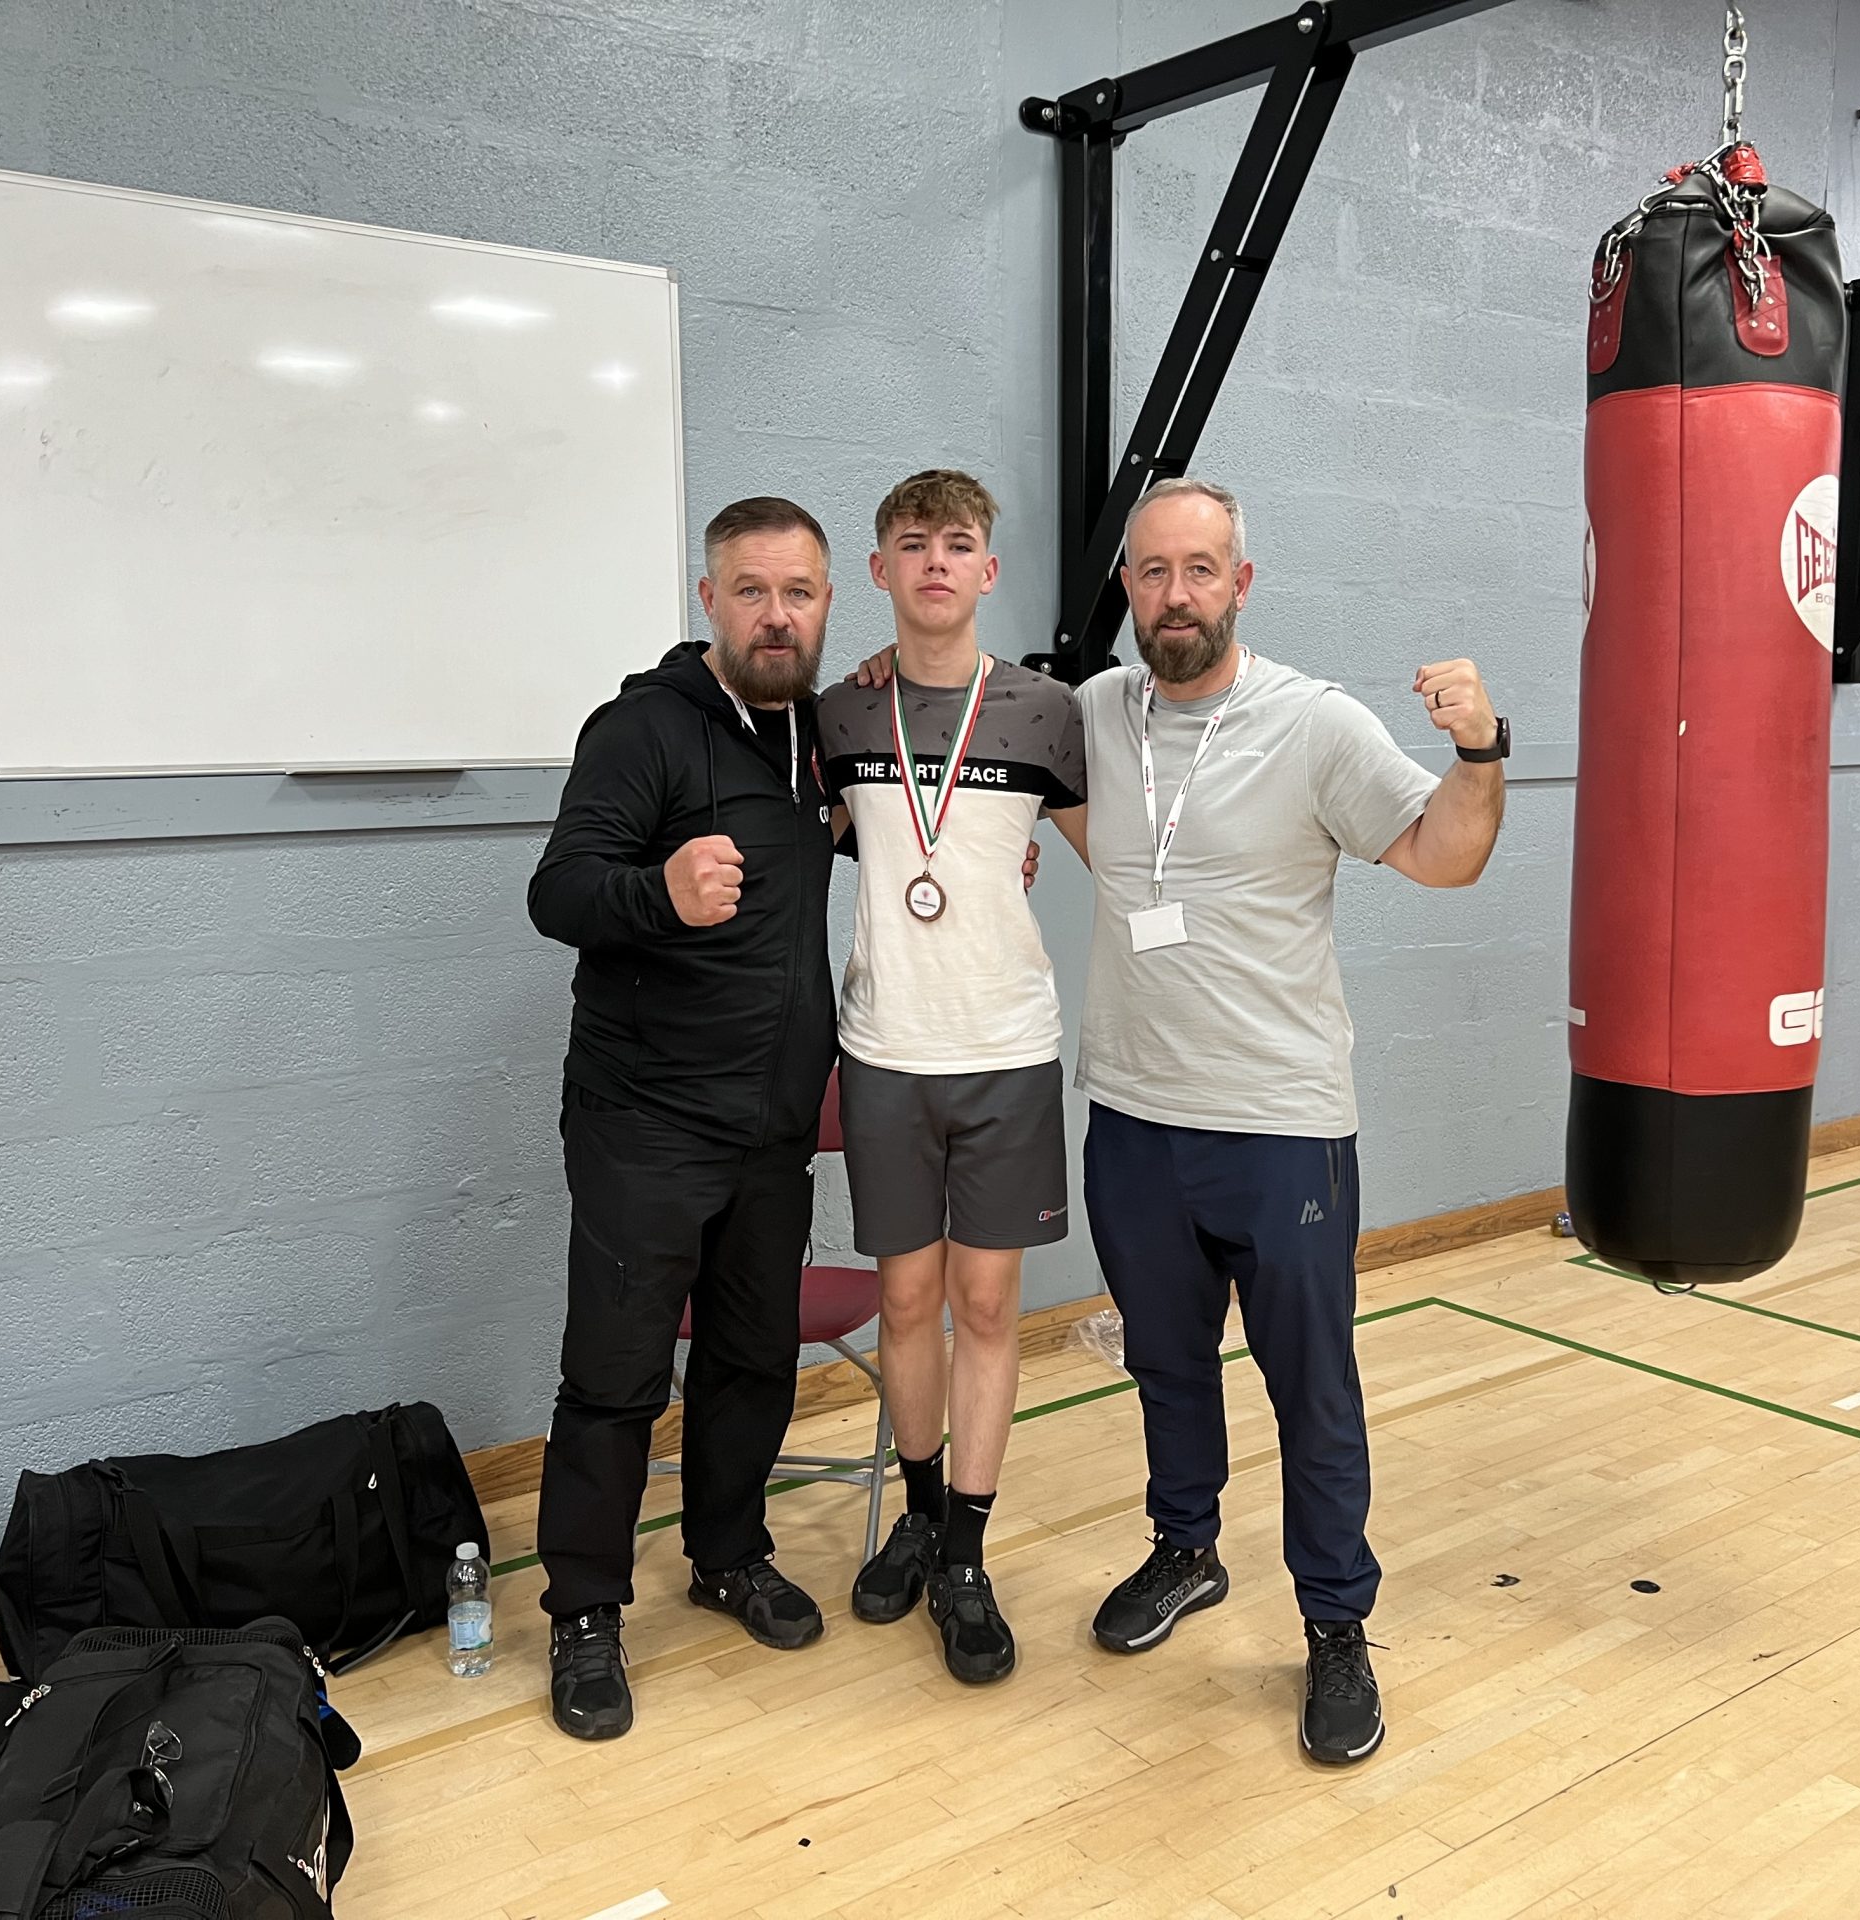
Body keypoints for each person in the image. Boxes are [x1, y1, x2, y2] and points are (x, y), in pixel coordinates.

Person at [1076, 476, 1506, 1767]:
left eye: (1200, 570)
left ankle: (1334, 1629)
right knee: (1167, 1365)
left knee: (1313, 1392)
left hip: (1280, 1127)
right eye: (1152, 573)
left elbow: (1446, 855)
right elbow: (988, 741)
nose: (1175, 595)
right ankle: (1186, 1550)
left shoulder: (1314, 723)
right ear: (1131, 591)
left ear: (1241, 584)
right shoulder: (1095, 713)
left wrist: (1480, 751)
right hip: (1135, 1118)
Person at [525, 496, 840, 1741]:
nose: (777, 614)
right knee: (612, 1379)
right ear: (709, 598)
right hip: (644, 1120)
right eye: (753, 590)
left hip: (770, 1124)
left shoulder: (819, 737)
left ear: (826, 602)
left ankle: (725, 1553)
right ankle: (584, 1614)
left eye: (800, 592)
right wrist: (657, 891)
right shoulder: (642, 731)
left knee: (754, 1360)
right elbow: (558, 890)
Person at [818, 470, 1089, 1684]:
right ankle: (918, 1520)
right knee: (910, 1305)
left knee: (987, 1308)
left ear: (989, 571)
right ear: (879, 572)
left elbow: (1121, 858)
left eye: (960, 544)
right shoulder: (835, 717)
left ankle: (966, 1553)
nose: (936, 562)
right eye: (912, 544)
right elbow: (829, 841)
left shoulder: (1042, 713)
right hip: (884, 1052)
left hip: (1006, 1052)